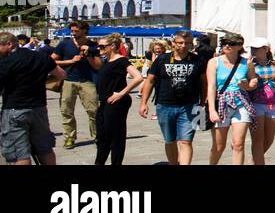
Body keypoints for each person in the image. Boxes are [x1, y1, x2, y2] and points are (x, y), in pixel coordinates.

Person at [138, 31, 205, 165]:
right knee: (170, 140)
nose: (184, 46)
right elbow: (150, 81)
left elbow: (204, 82)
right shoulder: (162, 59)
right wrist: (143, 102)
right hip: (165, 105)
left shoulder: (198, 60)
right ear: (173, 43)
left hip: (190, 105)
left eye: (187, 43)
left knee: (186, 141)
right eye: (180, 42)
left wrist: (203, 103)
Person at [0, 30, 64, 165]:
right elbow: (61, 75)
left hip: (14, 110)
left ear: (9, 44)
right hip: (38, 108)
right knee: (45, 149)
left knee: (19, 154)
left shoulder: (6, 62)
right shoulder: (40, 57)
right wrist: (41, 80)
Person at [88, 33, 143, 166]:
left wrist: (121, 93)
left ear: (112, 46)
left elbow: (138, 77)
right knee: (102, 136)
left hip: (116, 103)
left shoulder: (121, 60)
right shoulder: (107, 60)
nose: (99, 49)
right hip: (105, 102)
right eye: (98, 46)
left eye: (102, 46)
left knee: (115, 136)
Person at [206, 34, 257, 165]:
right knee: (218, 146)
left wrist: (248, 85)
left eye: (231, 43)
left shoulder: (247, 63)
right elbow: (211, 86)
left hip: (241, 103)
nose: (227, 46)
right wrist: (212, 110)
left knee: (238, 144)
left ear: (239, 46)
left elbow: (253, 81)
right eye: (224, 43)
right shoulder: (214, 62)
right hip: (221, 103)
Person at [52, 20, 98, 148]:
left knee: (94, 110)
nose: (73, 33)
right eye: (72, 31)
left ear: (84, 31)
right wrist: (70, 61)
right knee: (66, 111)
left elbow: (99, 66)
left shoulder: (93, 46)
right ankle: (69, 138)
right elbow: (51, 61)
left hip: (87, 81)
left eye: (76, 31)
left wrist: (89, 54)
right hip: (68, 80)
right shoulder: (64, 45)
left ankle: (97, 136)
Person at [246, 38, 275, 165]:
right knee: (257, 139)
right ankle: (257, 162)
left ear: (266, 49)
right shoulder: (249, 65)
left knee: (269, 140)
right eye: (252, 48)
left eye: (257, 48)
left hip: (273, 104)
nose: (254, 51)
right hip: (255, 104)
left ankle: (253, 160)